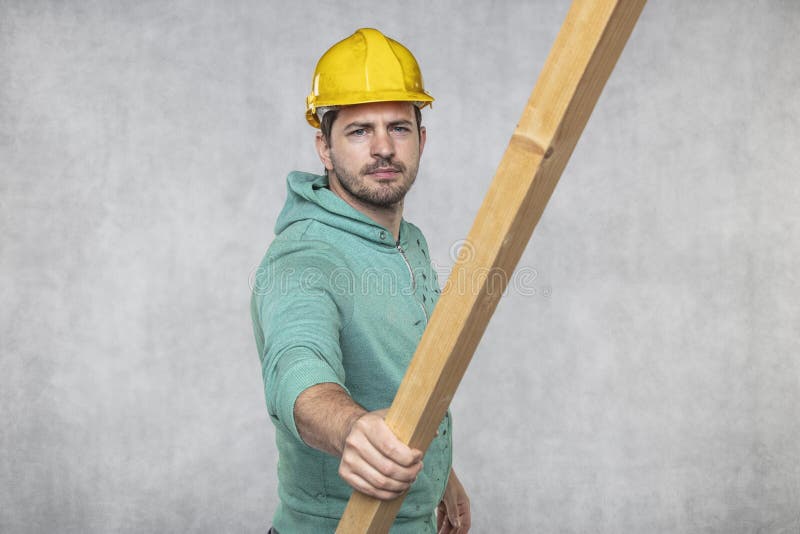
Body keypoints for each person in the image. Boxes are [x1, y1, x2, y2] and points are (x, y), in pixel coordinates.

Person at [251, 28, 471, 533]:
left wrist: (439, 476)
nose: (382, 148)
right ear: (324, 149)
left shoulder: (405, 239)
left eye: (398, 127)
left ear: (422, 139)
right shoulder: (305, 256)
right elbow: (297, 367)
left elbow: (398, 379)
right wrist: (350, 429)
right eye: (357, 131)